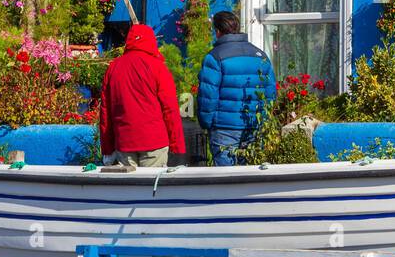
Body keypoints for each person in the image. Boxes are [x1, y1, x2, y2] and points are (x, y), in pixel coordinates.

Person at [98, 23, 185, 168]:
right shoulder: (158, 67)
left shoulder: (113, 67)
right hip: (154, 141)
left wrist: (107, 148)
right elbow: (170, 109)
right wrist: (177, 145)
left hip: (124, 141)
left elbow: (105, 113)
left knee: (128, 189)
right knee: (151, 188)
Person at [197, 11, 276, 166]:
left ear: (218, 31)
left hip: (224, 128)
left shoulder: (214, 57)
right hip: (254, 126)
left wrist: (206, 123)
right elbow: (270, 93)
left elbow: (208, 96)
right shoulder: (261, 55)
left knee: (225, 181)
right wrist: (263, 120)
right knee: (251, 177)